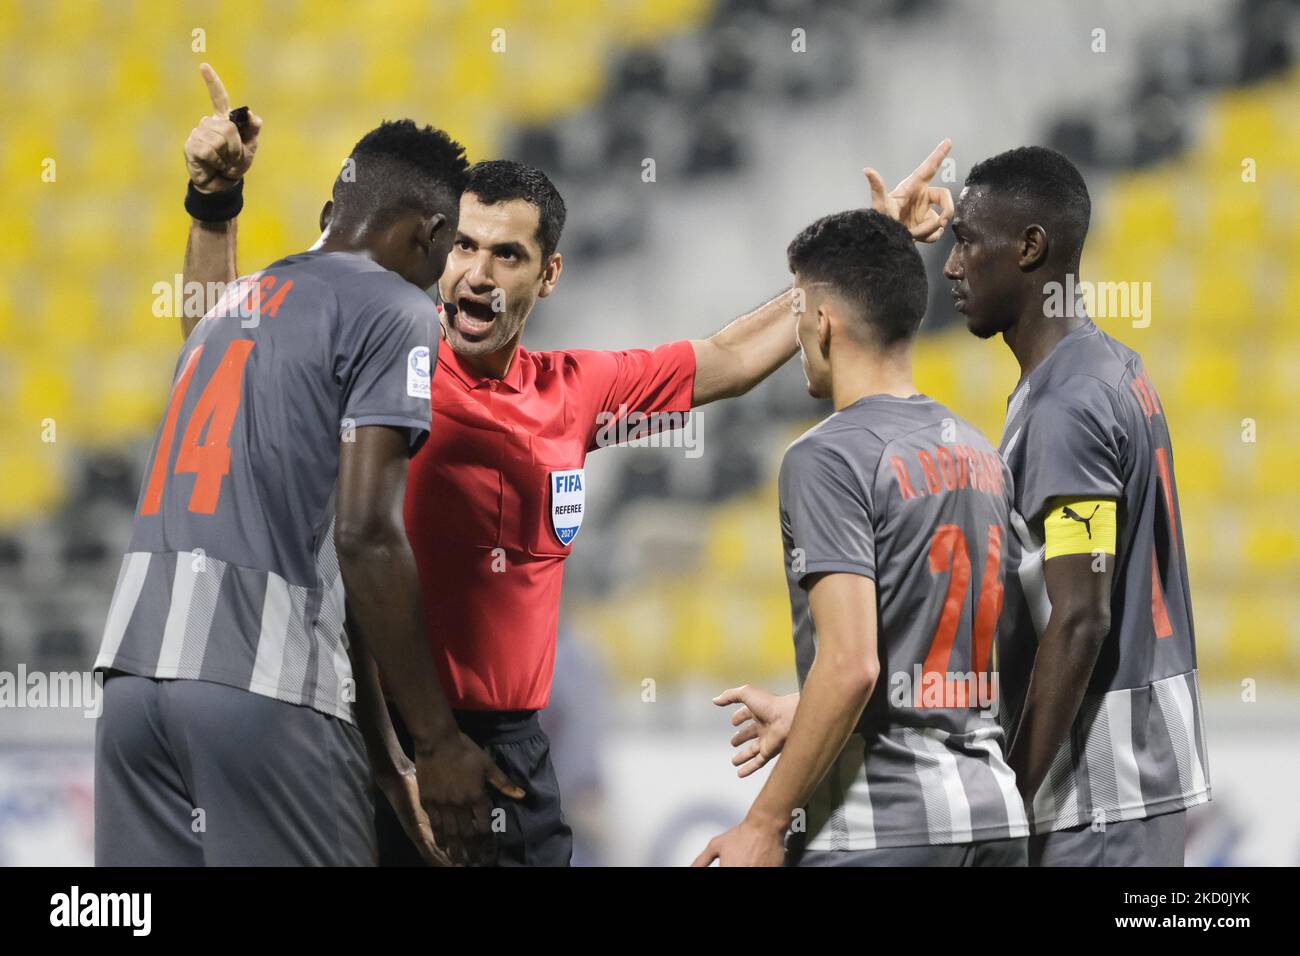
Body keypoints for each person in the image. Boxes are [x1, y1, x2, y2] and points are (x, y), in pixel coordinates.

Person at [180, 63, 955, 865]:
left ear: (548, 275)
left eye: (507, 255)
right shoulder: (382, 365)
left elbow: (725, 357)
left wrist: (868, 253)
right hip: (382, 743)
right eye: (464, 247)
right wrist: (213, 205)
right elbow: (217, 354)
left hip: (514, 755)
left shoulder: (575, 392)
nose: (478, 274)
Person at [94, 109, 492, 865]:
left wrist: (213, 201)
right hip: (263, 690)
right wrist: (436, 741)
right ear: (428, 234)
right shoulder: (398, 310)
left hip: (132, 687)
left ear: (329, 215)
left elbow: (200, 326)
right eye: (450, 250)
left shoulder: (233, 309)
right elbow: (365, 535)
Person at [694, 210, 1027, 866]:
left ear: (821, 323)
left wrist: (762, 824)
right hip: (993, 814)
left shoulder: (827, 457)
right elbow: (971, 651)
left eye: (796, 310)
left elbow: (851, 665)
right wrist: (808, 708)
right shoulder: (979, 451)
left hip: (883, 825)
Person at [944, 146, 1210, 866]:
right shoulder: (1110, 368)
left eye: (968, 241)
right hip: (1131, 791)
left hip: (1098, 802)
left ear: (1031, 247)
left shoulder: (1068, 404)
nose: (952, 266)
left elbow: (1083, 614)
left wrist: (1010, 802)